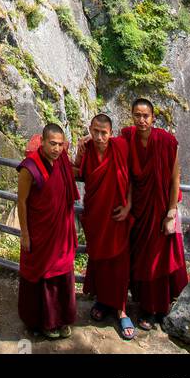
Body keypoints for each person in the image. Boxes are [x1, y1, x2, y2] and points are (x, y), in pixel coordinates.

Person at [121, 97, 189, 329]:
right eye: (137, 115)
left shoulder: (167, 141)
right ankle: (147, 309)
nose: (141, 120)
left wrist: (171, 211)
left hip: (160, 210)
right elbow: (108, 143)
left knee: (160, 261)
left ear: (153, 118)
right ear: (132, 116)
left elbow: (175, 177)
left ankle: (162, 309)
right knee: (142, 261)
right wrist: (88, 140)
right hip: (140, 211)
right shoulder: (127, 136)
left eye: (145, 116)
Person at [73, 114, 135, 340]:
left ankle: (121, 310)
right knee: (98, 258)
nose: (99, 137)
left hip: (118, 216)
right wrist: (79, 151)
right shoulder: (87, 150)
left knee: (119, 262)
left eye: (104, 132)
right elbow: (77, 172)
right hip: (96, 215)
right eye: (95, 131)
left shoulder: (121, 147)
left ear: (111, 133)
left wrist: (129, 206)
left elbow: (132, 178)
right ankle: (101, 300)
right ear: (90, 129)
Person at [16, 123, 78, 340]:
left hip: (61, 231)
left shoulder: (61, 161)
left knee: (62, 274)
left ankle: (61, 319)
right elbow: (21, 202)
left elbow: (75, 174)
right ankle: (42, 322)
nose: (57, 149)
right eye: (52, 143)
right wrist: (24, 233)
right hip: (40, 232)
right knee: (41, 275)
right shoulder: (29, 168)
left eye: (60, 144)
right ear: (42, 142)